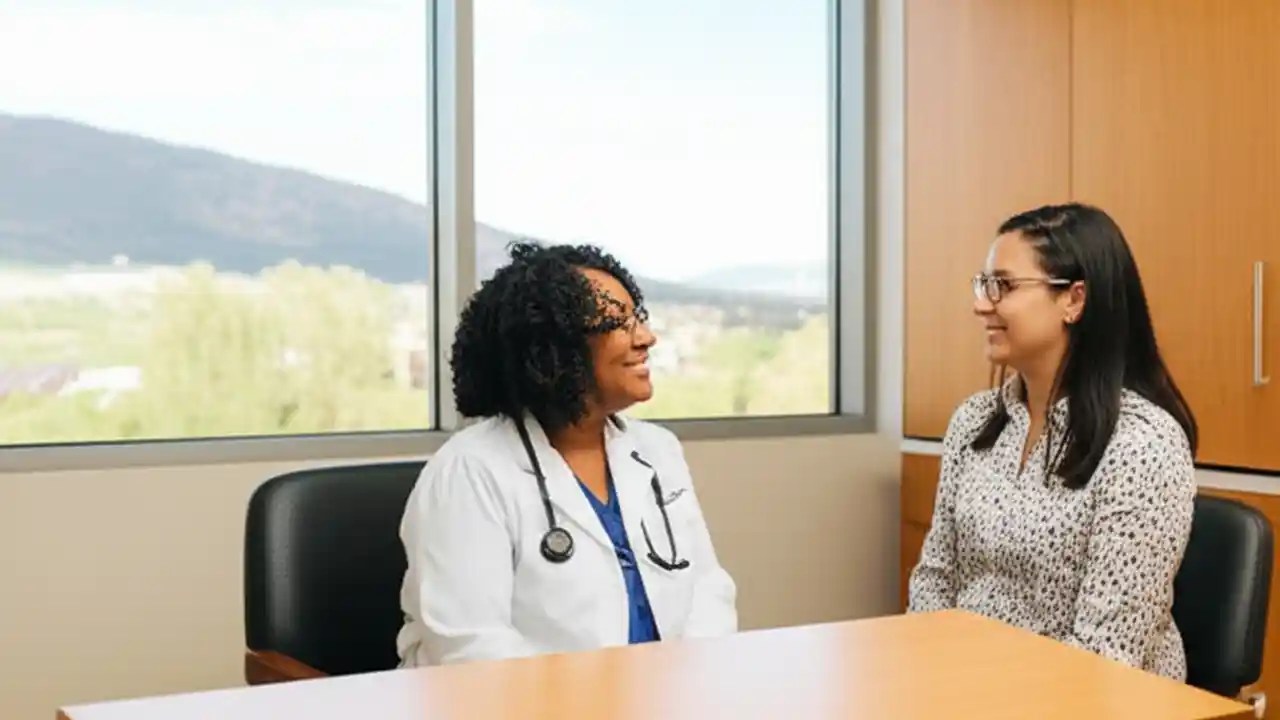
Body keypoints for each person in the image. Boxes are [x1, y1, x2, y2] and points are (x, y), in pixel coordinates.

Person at [396, 242, 738, 666]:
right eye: (618, 323)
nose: (646, 338)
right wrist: (598, 697)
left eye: (638, 318)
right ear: (554, 348)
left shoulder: (657, 450)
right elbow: (471, 647)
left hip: (667, 689)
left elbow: (708, 587)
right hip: (519, 698)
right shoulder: (470, 470)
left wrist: (689, 676)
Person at [907, 203, 1198, 680]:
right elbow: (935, 580)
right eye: (983, 284)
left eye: (1003, 286)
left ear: (1073, 300)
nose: (981, 305)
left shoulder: (1142, 446)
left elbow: (1106, 657)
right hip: (965, 687)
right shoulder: (974, 422)